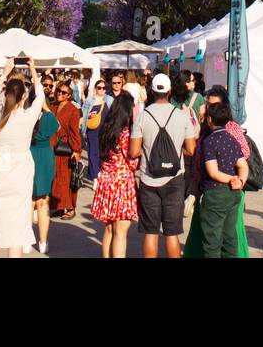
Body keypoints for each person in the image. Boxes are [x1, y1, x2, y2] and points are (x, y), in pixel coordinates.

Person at [0, 58, 44, 257]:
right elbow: (40, 96)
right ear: (24, 96)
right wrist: (33, 71)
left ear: (6, 95)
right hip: (21, 178)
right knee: (16, 233)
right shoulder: (28, 117)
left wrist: (5, 73)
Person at [131, 72, 198, 258]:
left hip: (148, 178)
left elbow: (134, 152)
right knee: (172, 233)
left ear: (152, 91)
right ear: (169, 91)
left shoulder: (143, 116)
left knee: (151, 233)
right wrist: (176, 151)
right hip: (175, 179)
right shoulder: (181, 116)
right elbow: (191, 149)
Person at [192, 101, 249, 258]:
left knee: (212, 242)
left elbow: (213, 171)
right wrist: (240, 181)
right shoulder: (232, 139)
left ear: (210, 119)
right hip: (233, 195)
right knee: (230, 238)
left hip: (215, 194)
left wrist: (232, 179)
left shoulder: (209, 141)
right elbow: (243, 165)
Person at [91, 91, 139, 258]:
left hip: (106, 181)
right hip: (121, 183)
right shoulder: (125, 133)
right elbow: (132, 162)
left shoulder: (107, 129)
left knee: (109, 228)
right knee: (121, 231)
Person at [29, 81, 60, 255]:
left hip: (29, 154)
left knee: (29, 200)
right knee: (43, 201)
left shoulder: (26, 115)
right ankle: (42, 242)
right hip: (45, 156)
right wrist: (46, 108)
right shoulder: (48, 117)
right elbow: (58, 127)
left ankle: (26, 241)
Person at [50, 81, 82, 219]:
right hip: (52, 146)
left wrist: (76, 150)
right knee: (55, 178)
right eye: (58, 91)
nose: (60, 94)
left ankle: (70, 208)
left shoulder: (73, 110)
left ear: (69, 95)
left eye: (63, 92)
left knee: (67, 179)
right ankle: (58, 206)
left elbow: (75, 132)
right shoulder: (52, 106)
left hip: (66, 147)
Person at [83, 78, 109, 182]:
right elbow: (83, 114)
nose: (102, 90)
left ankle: (99, 174)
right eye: (99, 88)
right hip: (92, 131)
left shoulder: (108, 100)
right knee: (93, 153)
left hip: (104, 132)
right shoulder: (90, 100)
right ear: (95, 89)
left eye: (104, 88)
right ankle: (94, 177)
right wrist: (88, 115)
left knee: (102, 154)